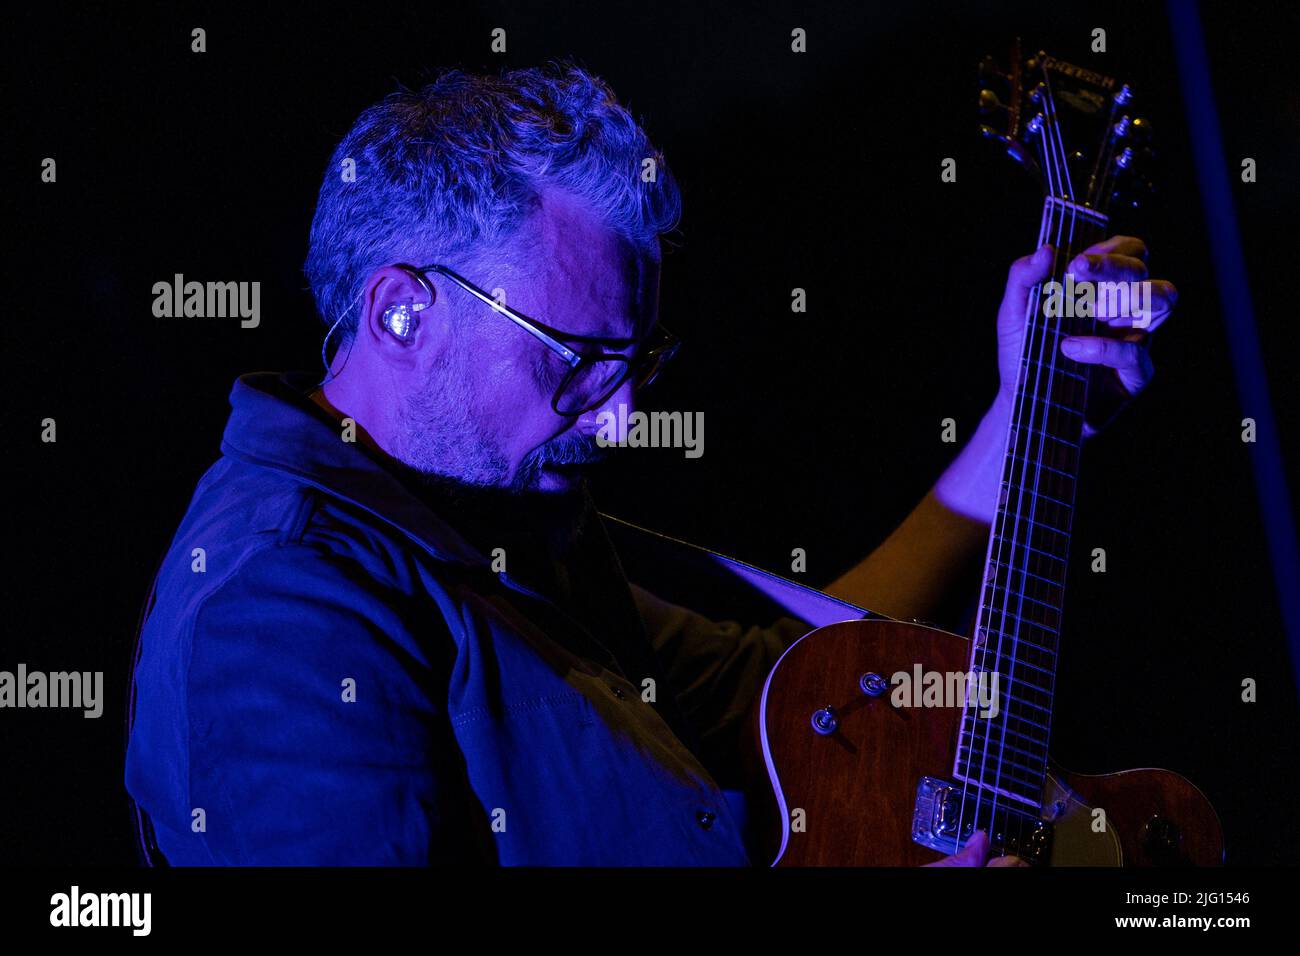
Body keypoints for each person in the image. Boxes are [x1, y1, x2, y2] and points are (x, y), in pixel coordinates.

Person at [124, 62, 1175, 866]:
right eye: (580, 361)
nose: (621, 418)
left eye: (639, 363)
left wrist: (1033, 408)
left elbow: (830, 694)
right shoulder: (278, 598)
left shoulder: (501, 522)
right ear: (402, 309)